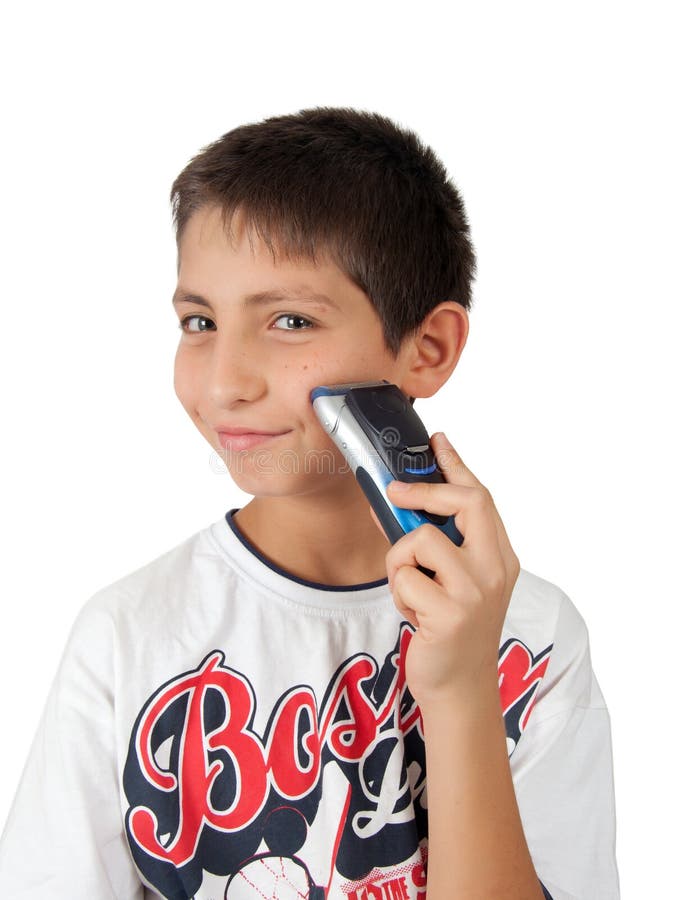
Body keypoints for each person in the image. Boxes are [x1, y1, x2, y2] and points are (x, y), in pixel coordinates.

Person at [0, 107, 619, 899]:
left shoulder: (531, 642)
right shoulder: (128, 635)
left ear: (426, 349)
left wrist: (463, 690)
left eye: (289, 320)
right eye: (199, 321)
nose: (225, 380)